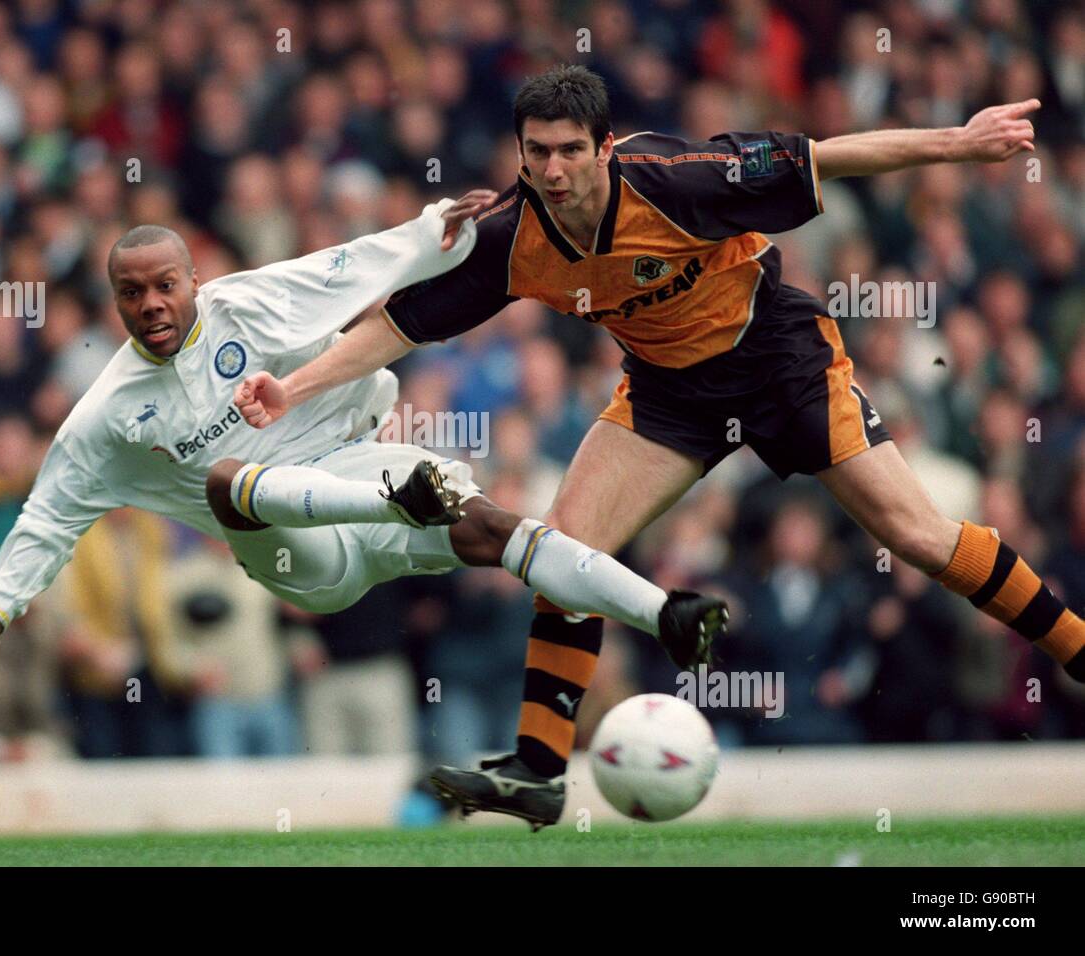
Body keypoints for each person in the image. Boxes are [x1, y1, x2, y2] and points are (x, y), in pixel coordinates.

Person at [232, 64, 1084, 828]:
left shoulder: (682, 178)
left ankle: (1076, 650)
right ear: (519, 153)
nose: (554, 171)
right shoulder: (512, 236)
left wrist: (962, 143)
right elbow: (397, 326)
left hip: (779, 363)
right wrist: (291, 388)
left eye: (570, 151)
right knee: (562, 550)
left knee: (920, 539)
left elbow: (830, 156)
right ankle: (537, 769)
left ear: (604, 147)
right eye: (537, 153)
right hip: (671, 394)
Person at [0, 190, 729, 811]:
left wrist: (430, 227)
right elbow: (49, 514)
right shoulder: (106, 416)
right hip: (301, 553)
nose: (151, 305)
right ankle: (401, 496)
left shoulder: (250, 302)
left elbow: (347, 267)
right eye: (131, 293)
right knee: (227, 478)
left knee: (503, 531)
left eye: (164, 285)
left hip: (360, 463)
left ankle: (668, 614)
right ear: (115, 300)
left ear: (195, 280)